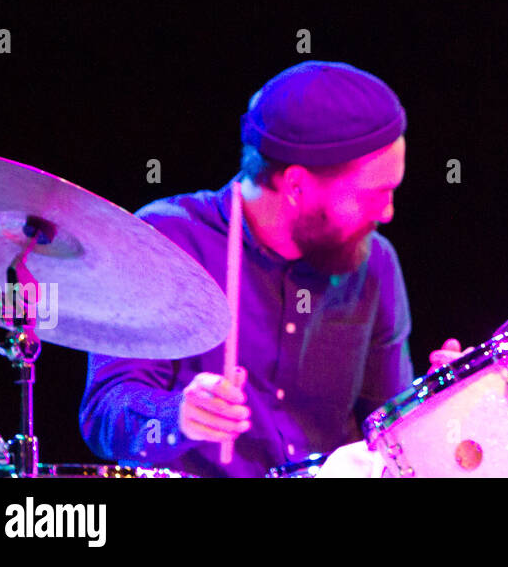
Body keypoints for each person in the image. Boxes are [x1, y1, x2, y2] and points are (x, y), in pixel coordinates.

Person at [79, 60, 462, 477]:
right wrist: (178, 417)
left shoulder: (376, 262)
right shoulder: (166, 239)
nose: (387, 213)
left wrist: (438, 403)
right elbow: (104, 416)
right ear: (296, 185)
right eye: (375, 194)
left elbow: (385, 430)